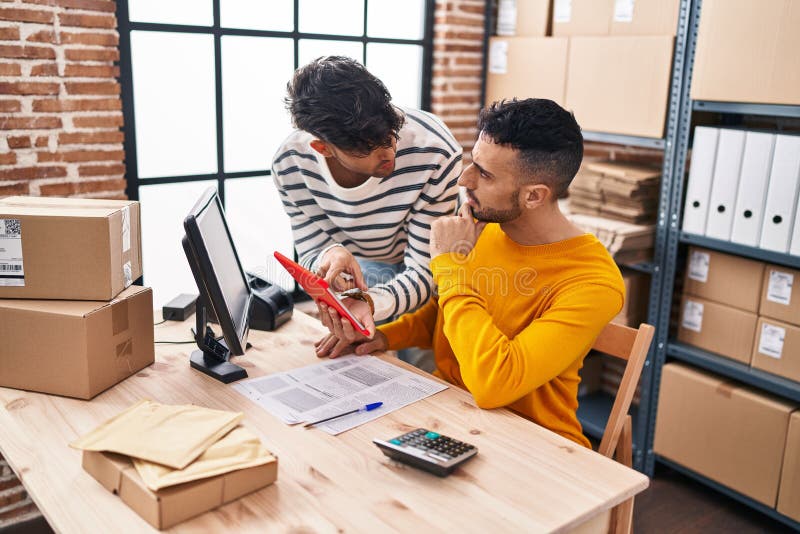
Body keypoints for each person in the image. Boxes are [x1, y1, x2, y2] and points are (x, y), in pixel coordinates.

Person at [317, 98, 625, 448]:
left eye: (485, 173)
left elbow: (494, 383)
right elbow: (449, 319)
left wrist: (450, 265)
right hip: (452, 412)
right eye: (472, 162)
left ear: (535, 196)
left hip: (535, 442)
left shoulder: (594, 282)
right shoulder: (489, 228)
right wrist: (384, 336)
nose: (465, 178)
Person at [272, 56, 461, 366]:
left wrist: (368, 301)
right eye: (368, 149)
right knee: (366, 358)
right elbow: (309, 249)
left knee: (430, 366)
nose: (389, 153)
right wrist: (327, 257)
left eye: (391, 136)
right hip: (367, 264)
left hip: (437, 262)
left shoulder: (435, 150)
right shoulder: (290, 165)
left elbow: (426, 272)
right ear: (324, 148)